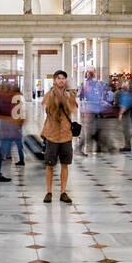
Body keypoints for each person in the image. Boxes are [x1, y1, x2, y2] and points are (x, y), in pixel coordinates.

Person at [41, 70, 78, 204]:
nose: (61, 80)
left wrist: (66, 97)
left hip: (66, 134)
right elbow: (48, 106)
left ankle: (63, 192)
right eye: (59, 78)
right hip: (52, 134)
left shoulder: (69, 94)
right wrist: (58, 96)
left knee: (65, 164)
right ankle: (49, 191)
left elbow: (73, 109)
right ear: (55, 80)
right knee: (49, 165)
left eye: (63, 78)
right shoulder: (50, 94)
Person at [0, 82, 25, 182]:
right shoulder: (11, 98)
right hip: (9, 128)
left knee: (1, 150)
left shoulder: (0, 97)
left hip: (4, 127)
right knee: (1, 151)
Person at [115, 80, 132, 152]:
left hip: (125, 113)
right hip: (124, 112)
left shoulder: (128, 93)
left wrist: (120, 113)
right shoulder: (121, 93)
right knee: (125, 130)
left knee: (126, 129)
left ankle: (127, 146)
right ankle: (127, 145)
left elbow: (124, 104)